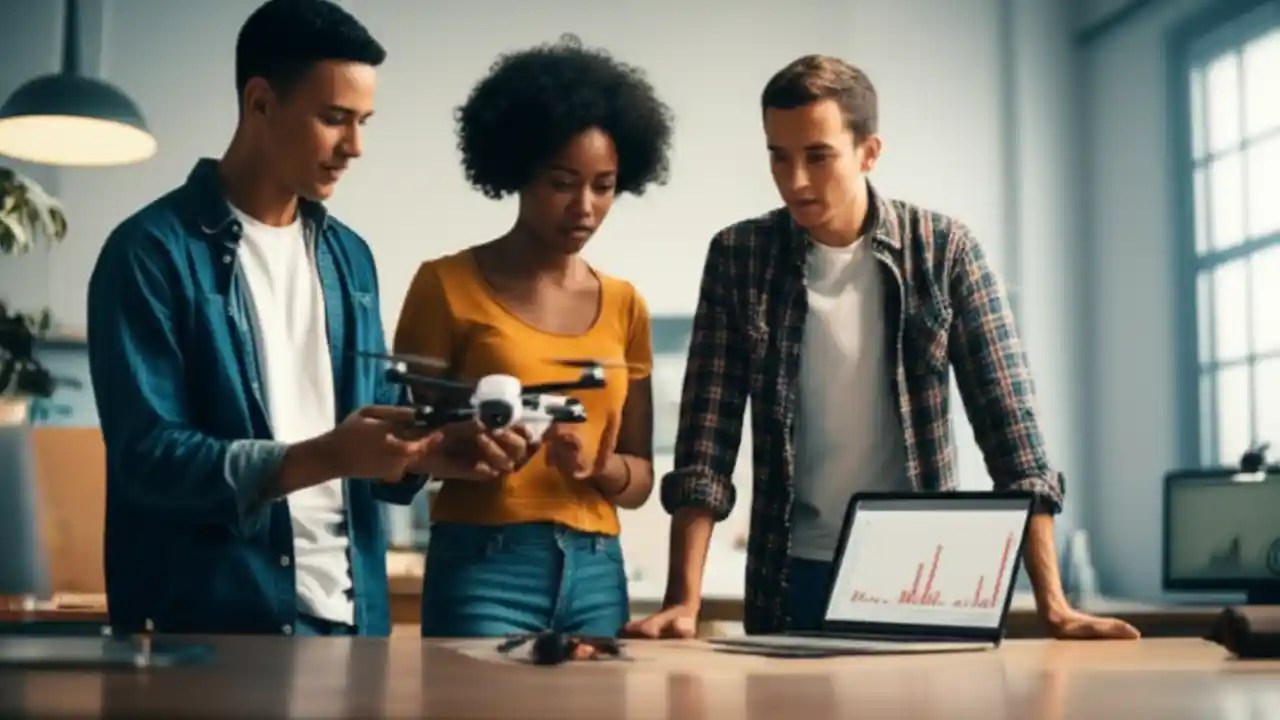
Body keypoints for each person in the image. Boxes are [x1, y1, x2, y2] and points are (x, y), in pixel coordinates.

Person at [624, 54, 1142, 641]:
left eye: (818, 157)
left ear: (869, 152)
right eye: (779, 156)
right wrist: (682, 601)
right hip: (792, 569)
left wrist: (1055, 606)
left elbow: (1012, 436)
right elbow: (705, 443)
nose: (794, 180)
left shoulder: (945, 250)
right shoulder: (740, 256)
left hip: (922, 568)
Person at [85, 0, 523, 637]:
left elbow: (372, 430)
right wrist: (325, 456)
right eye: (333, 119)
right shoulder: (150, 253)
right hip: (214, 630)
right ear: (260, 102)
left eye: (363, 121)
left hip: (354, 621)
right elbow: (149, 458)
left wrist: (436, 451)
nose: (355, 147)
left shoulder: (351, 258)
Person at [393, 35, 673, 638]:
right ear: (518, 171)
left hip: (599, 573)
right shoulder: (446, 286)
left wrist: (600, 469)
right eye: (563, 181)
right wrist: (466, 442)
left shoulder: (626, 305)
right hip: (481, 567)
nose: (586, 206)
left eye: (604, 186)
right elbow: (395, 455)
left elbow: (641, 480)